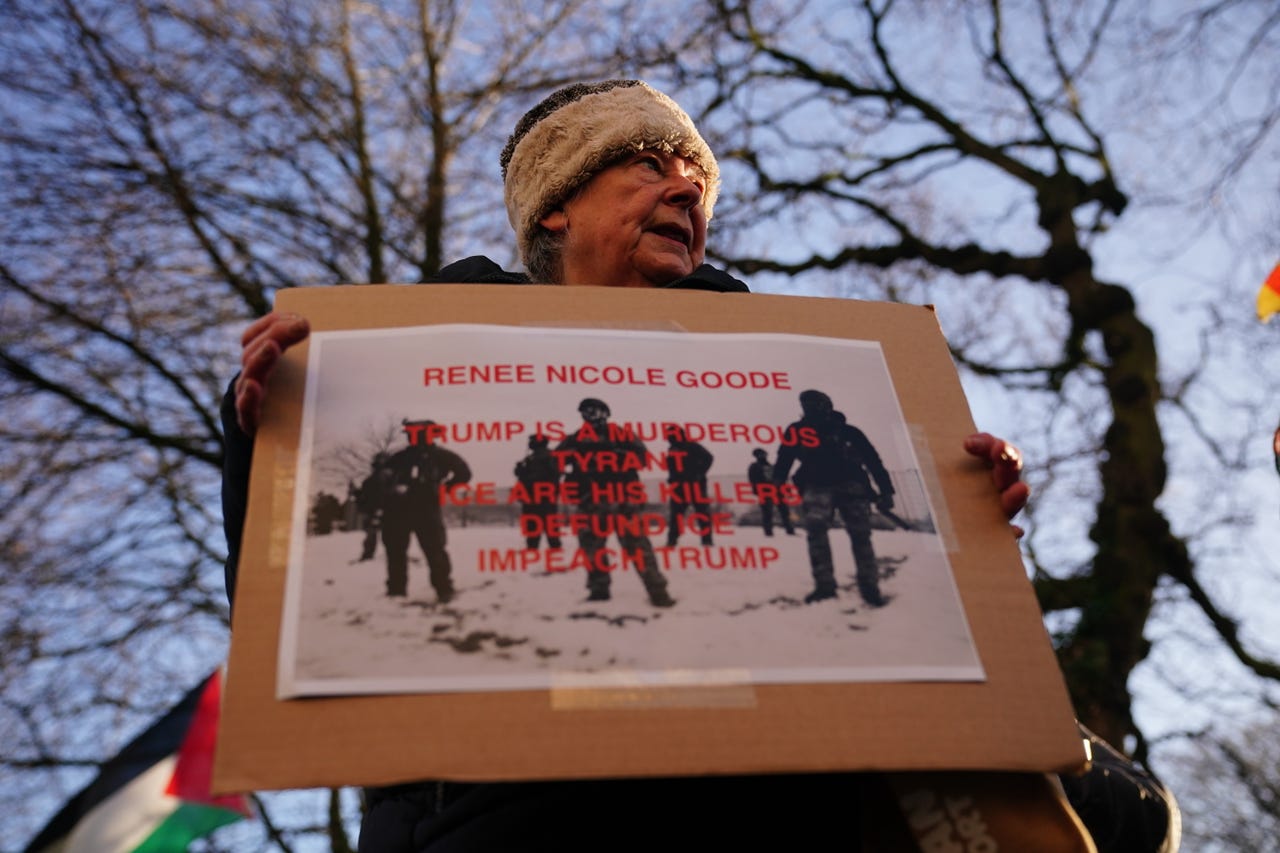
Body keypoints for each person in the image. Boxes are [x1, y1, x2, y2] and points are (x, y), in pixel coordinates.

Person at [222, 80, 1175, 852]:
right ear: (556, 205)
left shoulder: (796, 370)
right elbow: (288, 604)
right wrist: (267, 439)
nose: (688, 192)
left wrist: (963, 510)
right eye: (647, 166)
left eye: (698, 181)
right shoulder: (413, 353)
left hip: (787, 801)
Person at [773, 389, 895, 606]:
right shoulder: (798, 431)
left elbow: (872, 460)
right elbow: (784, 460)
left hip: (851, 487)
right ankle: (825, 587)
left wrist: (886, 490)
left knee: (859, 536)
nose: (810, 407)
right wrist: (777, 484)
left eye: (815, 403)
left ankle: (869, 588)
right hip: (817, 487)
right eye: (807, 404)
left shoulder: (848, 432)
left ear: (827, 405)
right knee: (817, 533)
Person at [553, 398, 674, 606]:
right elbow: (555, 463)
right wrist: (573, 457)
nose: (590, 416)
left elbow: (643, 459)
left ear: (606, 413)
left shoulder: (623, 435)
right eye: (586, 412)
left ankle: (658, 593)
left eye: (595, 411)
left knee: (637, 546)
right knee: (592, 548)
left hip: (623, 499)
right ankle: (599, 590)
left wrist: (615, 455)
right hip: (590, 500)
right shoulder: (575, 439)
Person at [662, 425, 715, 547]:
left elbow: (709, 458)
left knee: (702, 514)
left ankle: (707, 541)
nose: (669, 438)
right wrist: (671, 478)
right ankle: (672, 541)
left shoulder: (692, 446)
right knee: (676, 515)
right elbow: (672, 466)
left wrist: (699, 473)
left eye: (671, 435)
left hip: (696, 486)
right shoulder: (672, 448)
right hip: (678, 487)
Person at [513, 434, 563, 550]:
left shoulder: (547, 457)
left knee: (542, 523)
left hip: (542, 495)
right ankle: (541, 547)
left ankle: (550, 547)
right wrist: (521, 470)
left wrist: (525, 475)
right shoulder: (534, 457)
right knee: (539, 523)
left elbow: (552, 475)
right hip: (535, 496)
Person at [748, 447, 796, 537]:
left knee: (784, 511)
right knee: (768, 512)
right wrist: (757, 491)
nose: (763, 455)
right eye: (760, 454)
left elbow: (781, 478)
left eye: (763, 453)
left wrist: (786, 490)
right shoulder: (755, 466)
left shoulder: (772, 466)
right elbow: (753, 480)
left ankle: (789, 529)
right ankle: (769, 532)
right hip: (765, 491)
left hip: (777, 490)